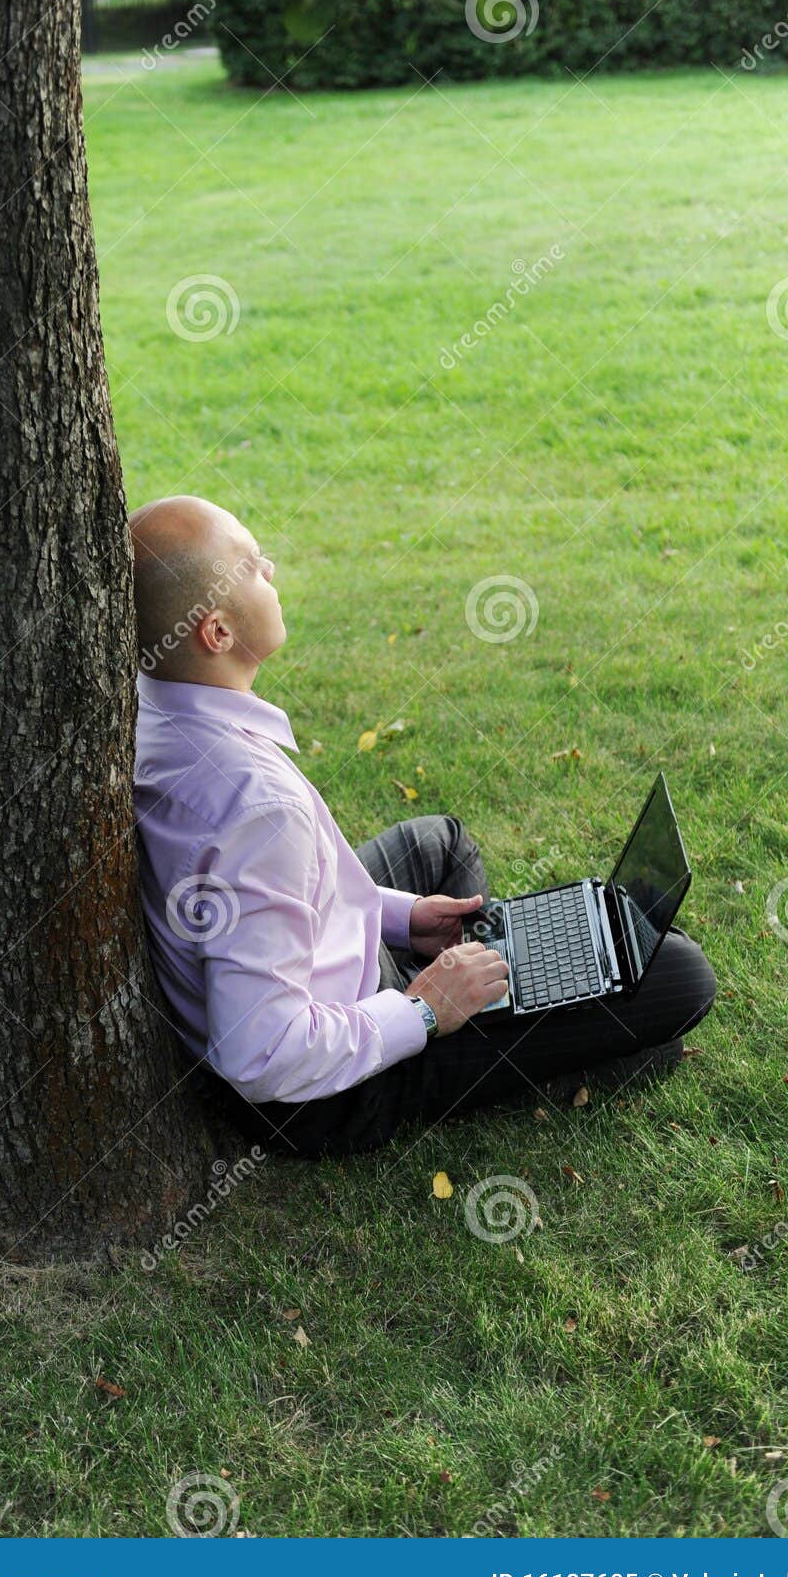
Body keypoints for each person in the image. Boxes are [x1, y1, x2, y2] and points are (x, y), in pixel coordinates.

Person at [130, 495, 716, 1158]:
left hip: (315, 966)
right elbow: (260, 1051)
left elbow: (282, 890)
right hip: (325, 1093)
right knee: (680, 976)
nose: (271, 567)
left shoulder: (157, 707)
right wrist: (423, 1010)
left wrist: (405, 919)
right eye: (251, 565)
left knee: (443, 843)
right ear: (216, 634)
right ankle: (502, 1040)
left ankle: (492, 983)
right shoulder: (258, 809)